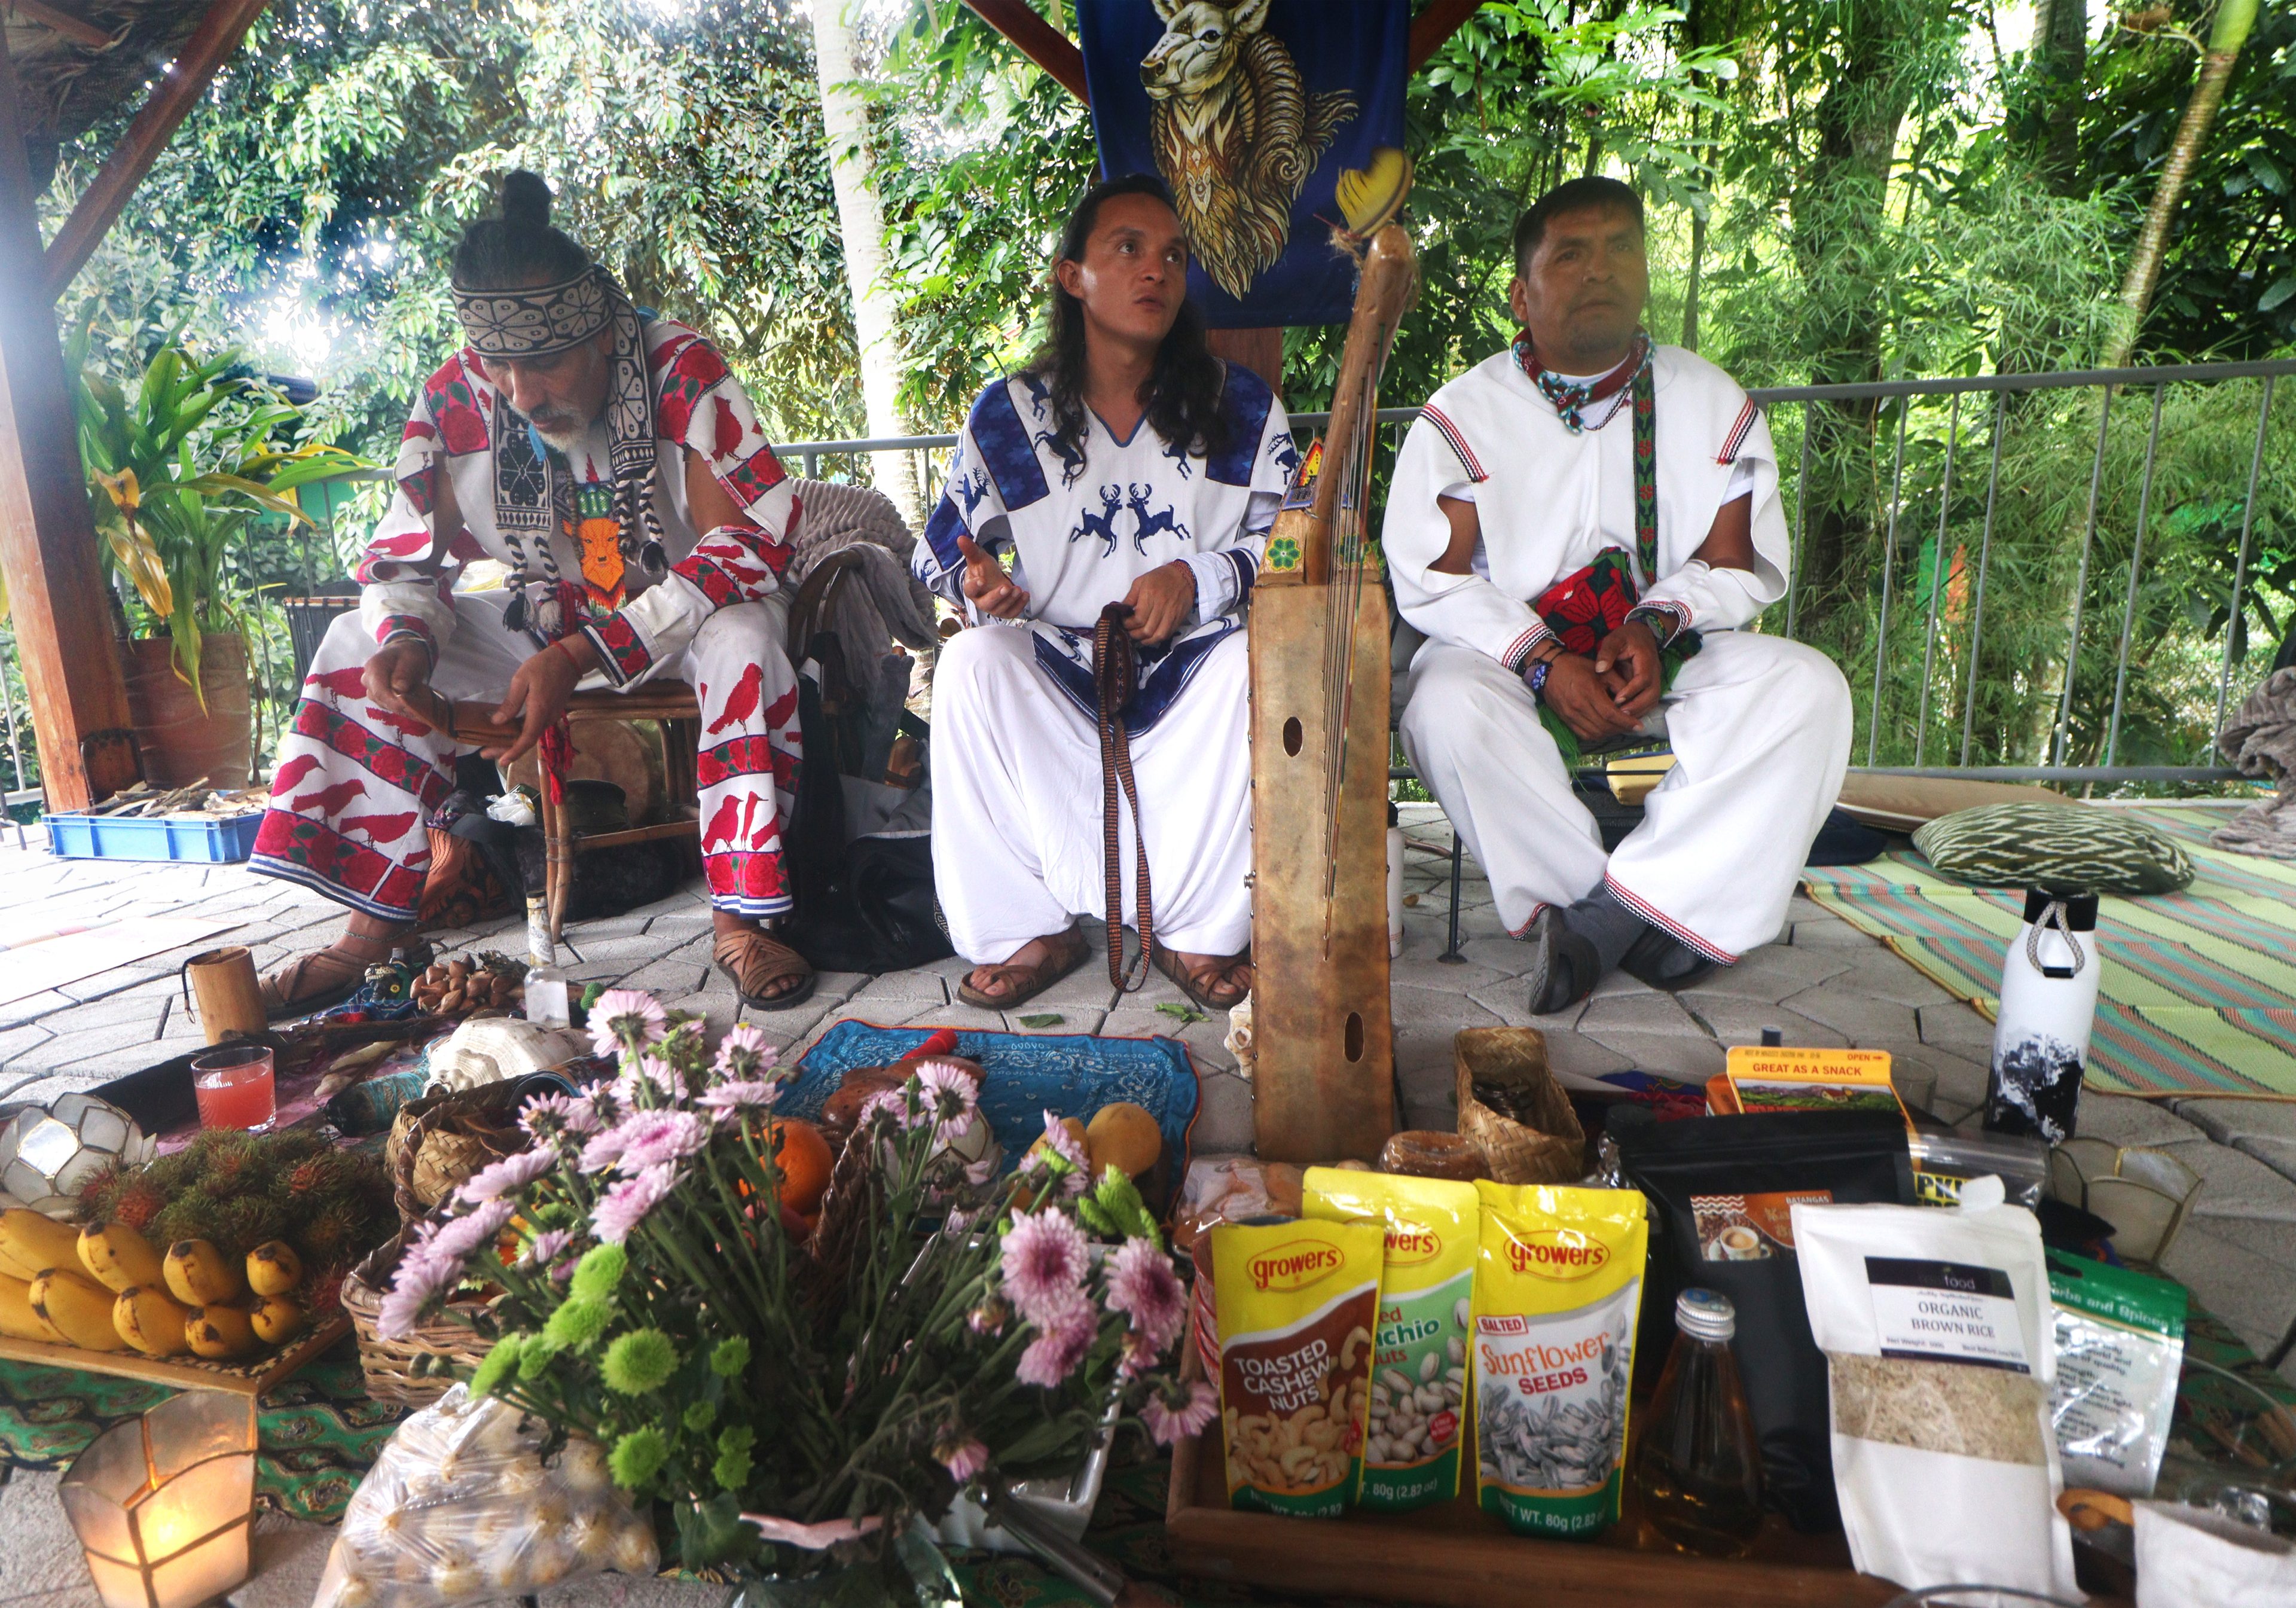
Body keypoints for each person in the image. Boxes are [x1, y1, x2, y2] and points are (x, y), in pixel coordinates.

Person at [249, 171, 816, 1014]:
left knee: (745, 639)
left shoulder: (678, 369)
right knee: (354, 644)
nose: (520, 392)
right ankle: (376, 925)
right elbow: (405, 565)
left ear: (600, 337)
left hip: (688, 622)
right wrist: (407, 639)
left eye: (544, 363)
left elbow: (747, 544)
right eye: (500, 365)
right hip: (543, 620)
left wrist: (588, 650)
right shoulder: (456, 399)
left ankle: (739, 918)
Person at [1387, 176, 1851, 1014]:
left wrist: (1654, 623)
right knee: (1441, 704)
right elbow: (1435, 577)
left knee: (1809, 690)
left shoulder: (1713, 403)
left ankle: (1601, 925)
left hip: (1662, 659)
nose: (1601, 270)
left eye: (1622, 248)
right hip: (1511, 668)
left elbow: (1734, 561)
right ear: (1520, 294)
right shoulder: (1461, 418)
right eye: (1570, 255)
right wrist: (1540, 660)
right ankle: (1632, 909)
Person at [913, 173, 1297, 1012]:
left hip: (1190, 666)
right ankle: (1026, 927)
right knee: (974, 663)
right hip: (1061, 663)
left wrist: (1196, 578)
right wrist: (976, 574)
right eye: (1128, 249)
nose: (1155, 270)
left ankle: (1195, 927)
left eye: (1172, 255)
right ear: (1071, 275)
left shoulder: (1239, 408)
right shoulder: (1013, 414)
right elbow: (938, 542)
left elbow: (1298, 543)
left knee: (1249, 665)